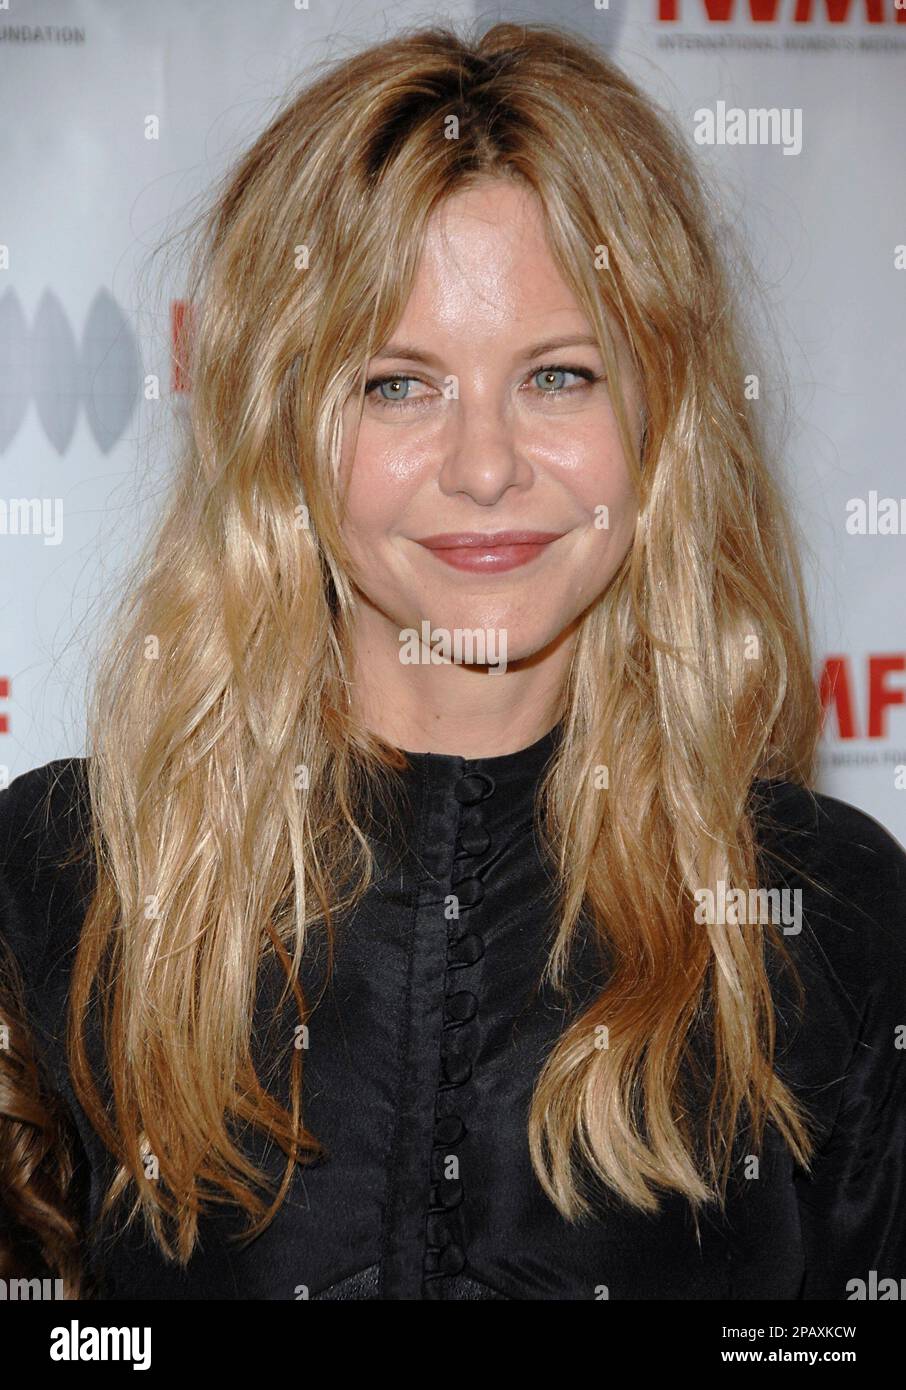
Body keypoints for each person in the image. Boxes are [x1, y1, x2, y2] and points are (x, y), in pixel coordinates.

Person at [1, 20, 904, 1302]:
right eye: (397, 386)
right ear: (280, 421)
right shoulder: (68, 879)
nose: (486, 467)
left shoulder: (828, 915)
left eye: (557, 375)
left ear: (663, 414)